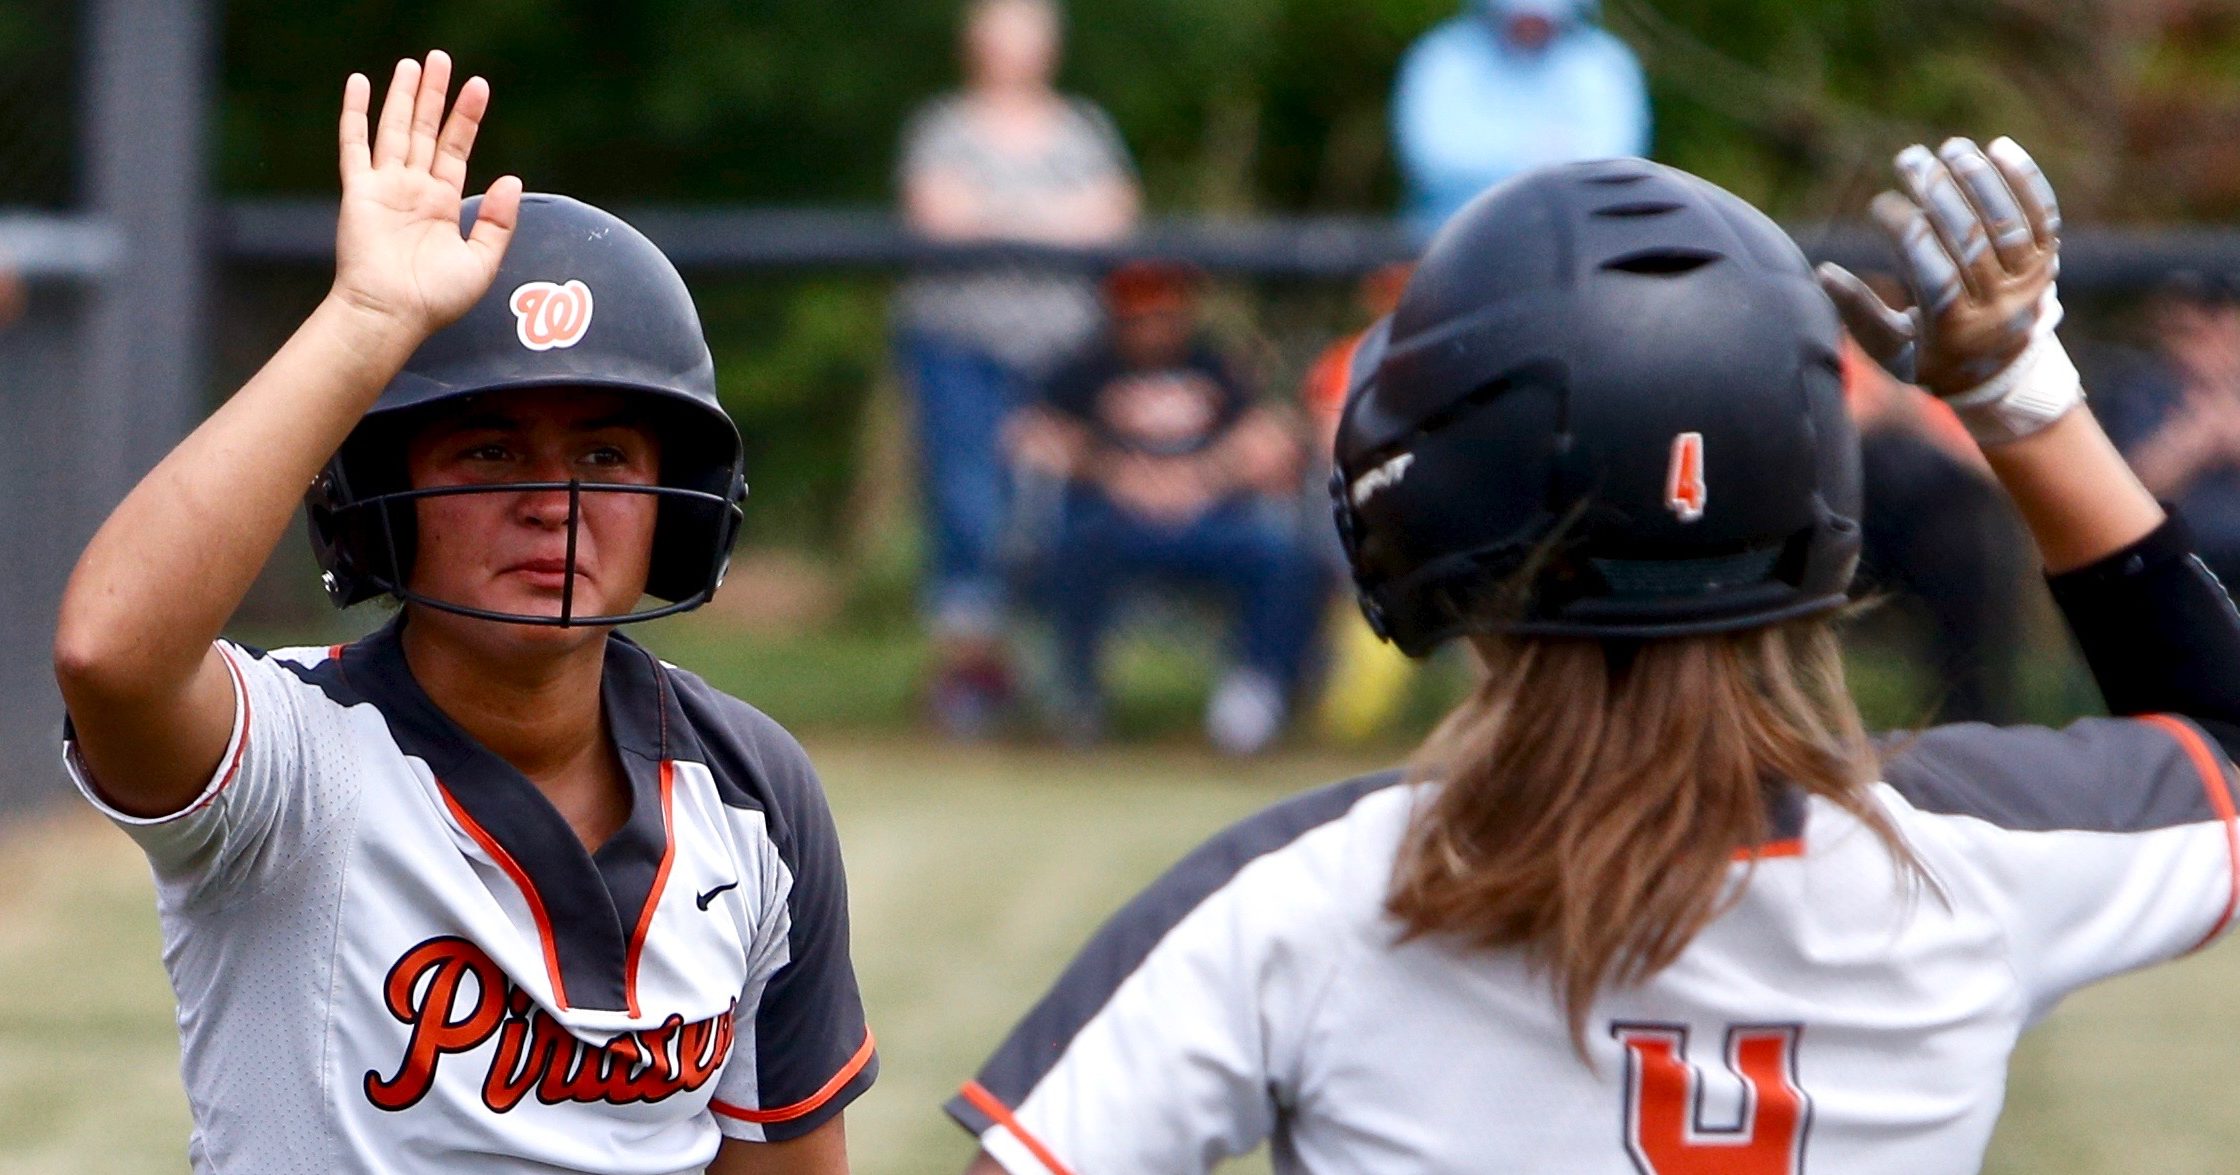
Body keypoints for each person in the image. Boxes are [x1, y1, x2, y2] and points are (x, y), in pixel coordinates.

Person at [945, 142, 2240, 1173]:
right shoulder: (1970, 857)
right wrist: (2021, 393)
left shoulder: (1308, 893)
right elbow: (2219, 742)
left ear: (1426, 508)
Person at [52, 54, 873, 1173]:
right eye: (490, 450)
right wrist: (365, 320)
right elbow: (109, 651)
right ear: (386, 501)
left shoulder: (753, 792)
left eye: (603, 453)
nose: (553, 502)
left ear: (673, 504)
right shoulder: (295, 760)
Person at [894, 0, 1140, 738]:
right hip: (958, 348)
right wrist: (1052, 217)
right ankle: (970, 677)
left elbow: (1116, 218)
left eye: (1030, 34)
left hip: (1063, 357)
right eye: (1002, 33)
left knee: (1057, 510)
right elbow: (938, 217)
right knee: (968, 510)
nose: (1017, 49)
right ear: (974, 43)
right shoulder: (943, 127)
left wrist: (997, 215)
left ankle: (1066, 674)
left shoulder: (1084, 127)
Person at [1008, 260, 1322, 754]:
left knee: (1281, 556)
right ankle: (1077, 693)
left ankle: (1255, 694)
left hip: (1210, 517)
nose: (1154, 324)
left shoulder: (1215, 365)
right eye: (1139, 313)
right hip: (1113, 520)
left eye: (1164, 310)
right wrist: (1115, 473)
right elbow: (1029, 436)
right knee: (1071, 549)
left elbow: (1275, 435)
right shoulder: (1084, 369)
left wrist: (1205, 475)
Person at [1847, 328, 2028, 723]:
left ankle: (1971, 714)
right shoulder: (1820, 347)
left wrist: (1905, 407)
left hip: (1931, 537)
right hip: (1843, 530)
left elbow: (1986, 469)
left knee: (1959, 528)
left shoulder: (1933, 361)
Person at [1391, 0, 1651, 237]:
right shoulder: (1443, 57)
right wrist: (1542, 154)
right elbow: (1435, 159)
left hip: (1580, 240)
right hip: (1447, 238)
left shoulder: (1603, 63)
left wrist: (1499, 155)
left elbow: (1615, 161)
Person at [2095, 271, 2240, 587]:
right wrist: (2195, 436)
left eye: (2216, 328)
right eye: (2185, 332)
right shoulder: (2140, 390)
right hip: (2173, 562)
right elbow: (2128, 492)